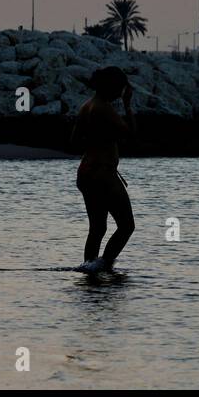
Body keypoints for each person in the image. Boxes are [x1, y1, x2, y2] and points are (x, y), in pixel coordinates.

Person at [70, 66, 136, 273]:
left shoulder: (86, 106)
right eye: (121, 88)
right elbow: (131, 133)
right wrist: (127, 105)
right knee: (126, 226)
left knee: (98, 228)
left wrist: (97, 139)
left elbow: (73, 142)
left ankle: (90, 269)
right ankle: (104, 265)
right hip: (103, 174)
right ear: (112, 86)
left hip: (86, 172)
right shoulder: (104, 108)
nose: (121, 92)